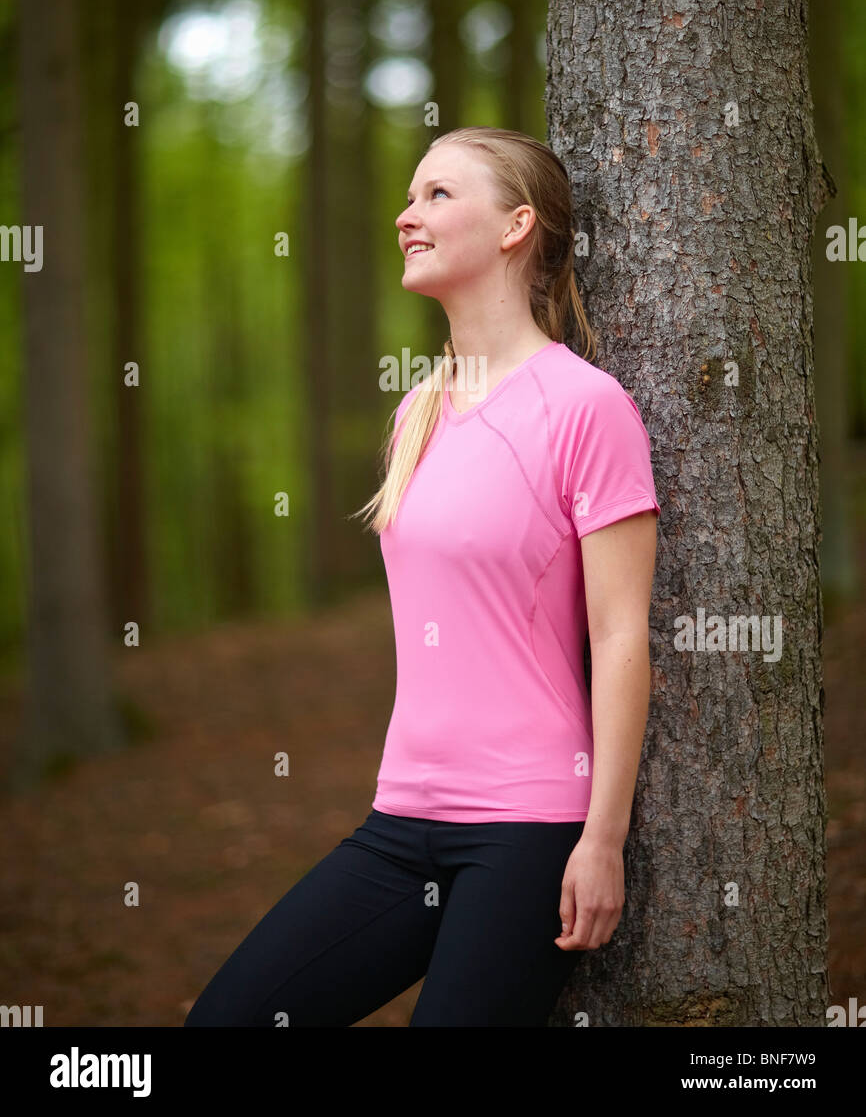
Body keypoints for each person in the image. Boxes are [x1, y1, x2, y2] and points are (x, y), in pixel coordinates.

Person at [184, 126, 660, 1028]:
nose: (407, 216)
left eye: (438, 195)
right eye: (409, 197)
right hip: (401, 818)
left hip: (526, 830)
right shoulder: (418, 410)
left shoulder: (586, 407)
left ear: (517, 225)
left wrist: (604, 838)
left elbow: (621, 634)